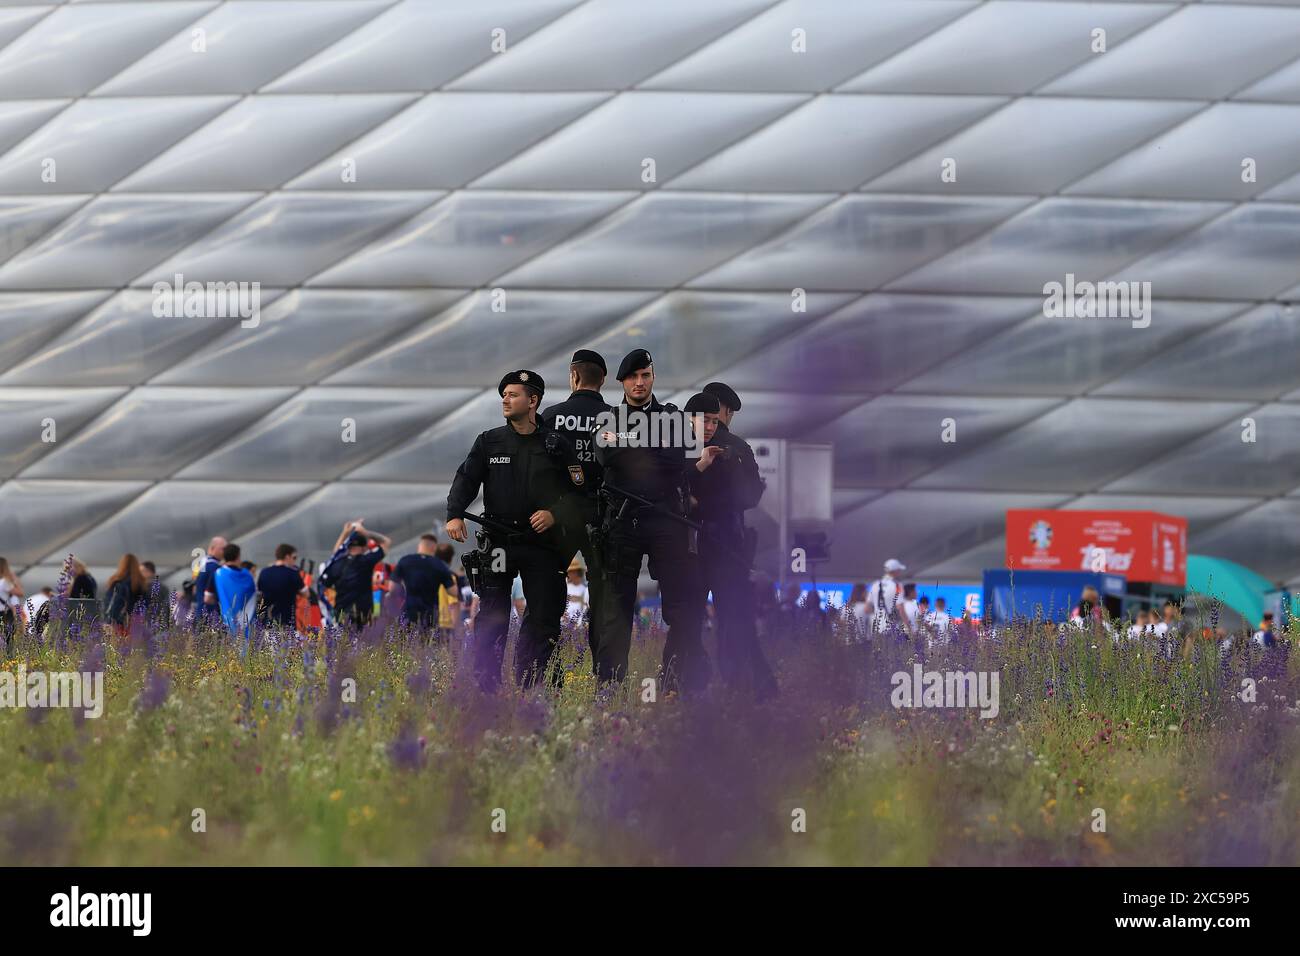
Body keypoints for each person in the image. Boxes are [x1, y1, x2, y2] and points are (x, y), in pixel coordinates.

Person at [446, 369, 583, 691]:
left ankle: (533, 686)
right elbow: (465, 479)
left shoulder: (556, 445)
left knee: (543, 617)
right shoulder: (489, 441)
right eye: (503, 395)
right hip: (498, 542)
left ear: (533, 400)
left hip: (542, 545)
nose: (505, 400)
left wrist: (554, 514)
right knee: (492, 613)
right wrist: (454, 515)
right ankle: (485, 688)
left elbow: (579, 493)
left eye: (513, 394)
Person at [592, 350, 709, 694]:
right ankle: (610, 690)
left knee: (681, 608)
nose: (639, 383)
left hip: (666, 522)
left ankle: (673, 685)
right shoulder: (607, 417)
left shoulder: (672, 416)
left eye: (644, 375)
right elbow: (604, 455)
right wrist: (651, 445)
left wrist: (627, 445)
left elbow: (675, 457)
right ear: (622, 382)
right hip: (622, 523)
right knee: (616, 612)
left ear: (653, 377)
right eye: (632, 377)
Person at [685, 390, 775, 697]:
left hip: (697, 540)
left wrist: (698, 505)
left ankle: (694, 685)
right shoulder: (737, 447)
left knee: (690, 618)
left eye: (716, 415)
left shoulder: (722, 446)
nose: (715, 421)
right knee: (731, 618)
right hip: (725, 541)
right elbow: (751, 495)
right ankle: (737, 685)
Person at [540, 348, 610, 673]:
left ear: (574, 376)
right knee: (605, 597)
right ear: (604, 379)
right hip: (605, 516)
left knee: (548, 593)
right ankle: (606, 682)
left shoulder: (551, 417)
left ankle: (547, 676)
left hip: (560, 518)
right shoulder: (618, 419)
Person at [320, 521, 392, 630]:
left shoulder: (337, 564)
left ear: (348, 548)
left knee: (345, 645)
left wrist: (344, 533)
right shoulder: (366, 561)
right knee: (365, 645)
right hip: (363, 614)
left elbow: (335, 556)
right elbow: (386, 542)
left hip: (342, 614)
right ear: (364, 548)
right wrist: (365, 532)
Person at [391, 534, 458, 634]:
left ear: (420, 545)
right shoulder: (439, 565)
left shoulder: (405, 561)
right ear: (434, 547)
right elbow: (453, 592)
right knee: (427, 646)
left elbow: (392, 588)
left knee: (406, 646)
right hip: (430, 615)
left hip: (408, 612)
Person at [257, 543, 308, 630]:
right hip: (287, 621)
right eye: (294, 558)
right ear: (287, 556)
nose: (294, 561)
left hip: (267, 621)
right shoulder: (293, 573)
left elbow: (259, 593)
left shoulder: (264, 572)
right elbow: (306, 594)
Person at [211, 543, 257, 637]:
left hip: (228, 620)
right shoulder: (247, 575)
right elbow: (253, 594)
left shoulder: (219, 574)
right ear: (238, 556)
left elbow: (210, 596)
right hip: (247, 618)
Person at [104, 553, 147, 634]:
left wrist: (109, 621)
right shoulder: (141, 583)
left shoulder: (117, 582)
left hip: (119, 623)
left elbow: (113, 603)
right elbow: (145, 604)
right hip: (136, 623)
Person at [192, 535, 227, 626]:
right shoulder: (213, 567)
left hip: (201, 612)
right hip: (210, 614)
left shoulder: (203, 564)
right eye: (222, 549)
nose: (225, 552)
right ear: (212, 548)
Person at [869, 559, 907, 636]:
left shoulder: (875, 585)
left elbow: (867, 608)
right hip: (891, 629)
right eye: (899, 570)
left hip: (876, 628)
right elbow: (900, 608)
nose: (900, 572)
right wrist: (908, 626)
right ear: (895, 571)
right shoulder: (897, 585)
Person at [0, 557, 24, 641]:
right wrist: (15, 579)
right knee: (8, 642)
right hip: (5, 614)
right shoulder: (4, 582)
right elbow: (20, 593)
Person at [565, 560, 589, 624]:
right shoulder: (566, 585)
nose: (570, 574)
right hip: (565, 619)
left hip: (579, 620)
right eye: (570, 571)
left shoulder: (585, 587)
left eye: (573, 571)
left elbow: (586, 604)